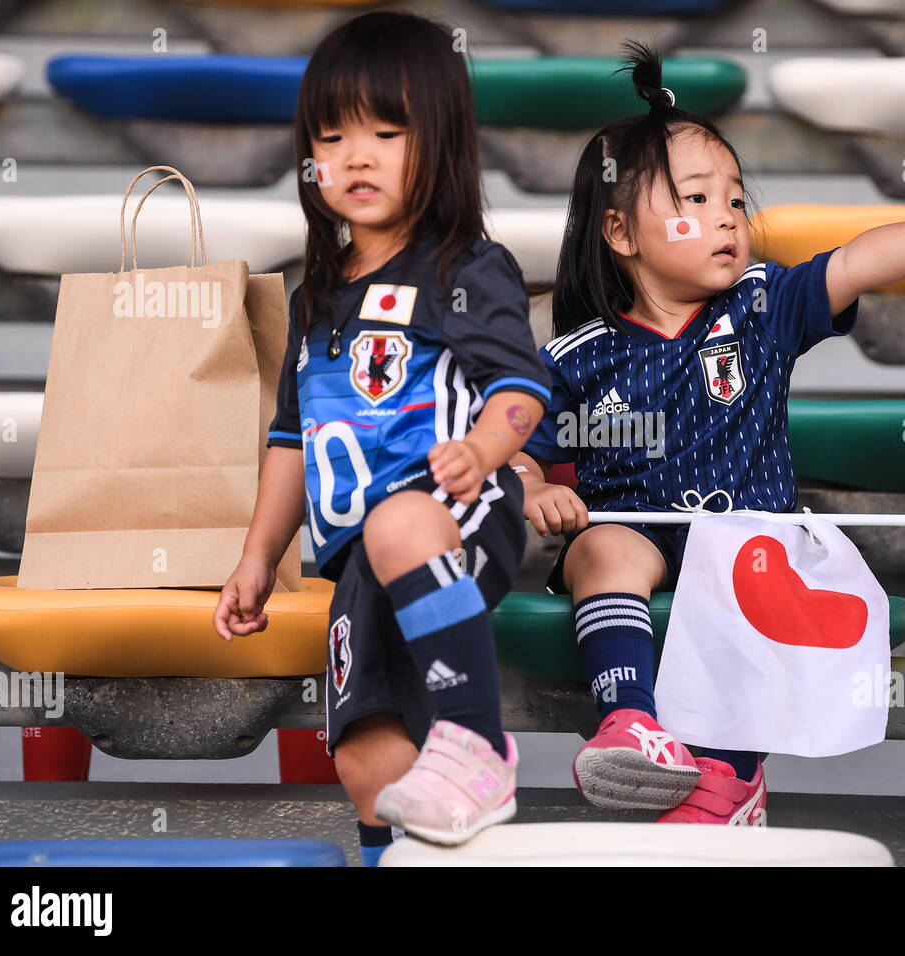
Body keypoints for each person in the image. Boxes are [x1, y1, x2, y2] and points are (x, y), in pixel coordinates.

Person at [509, 41, 905, 825]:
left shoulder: (761, 306)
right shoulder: (577, 356)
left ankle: (728, 779)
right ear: (622, 233)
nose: (728, 218)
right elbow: (520, 450)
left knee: (746, 584)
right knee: (599, 549)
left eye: (735, 200)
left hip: (748, 538)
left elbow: (861, 260)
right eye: (696, 200)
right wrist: (532, 490)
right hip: (645, 533)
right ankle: (632, 723)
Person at [212, 11, 550, 863]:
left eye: (387, 131)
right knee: (365, 760)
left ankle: (479, 747)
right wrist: (258, 557)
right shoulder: (315, 298)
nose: (356, 156)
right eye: (332, 136)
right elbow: (291, 438)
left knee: (401, 521)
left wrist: (481, 451)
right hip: (355, 560)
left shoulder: (464, 268)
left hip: (452, 511)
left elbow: (521, 391)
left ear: (440, 141)